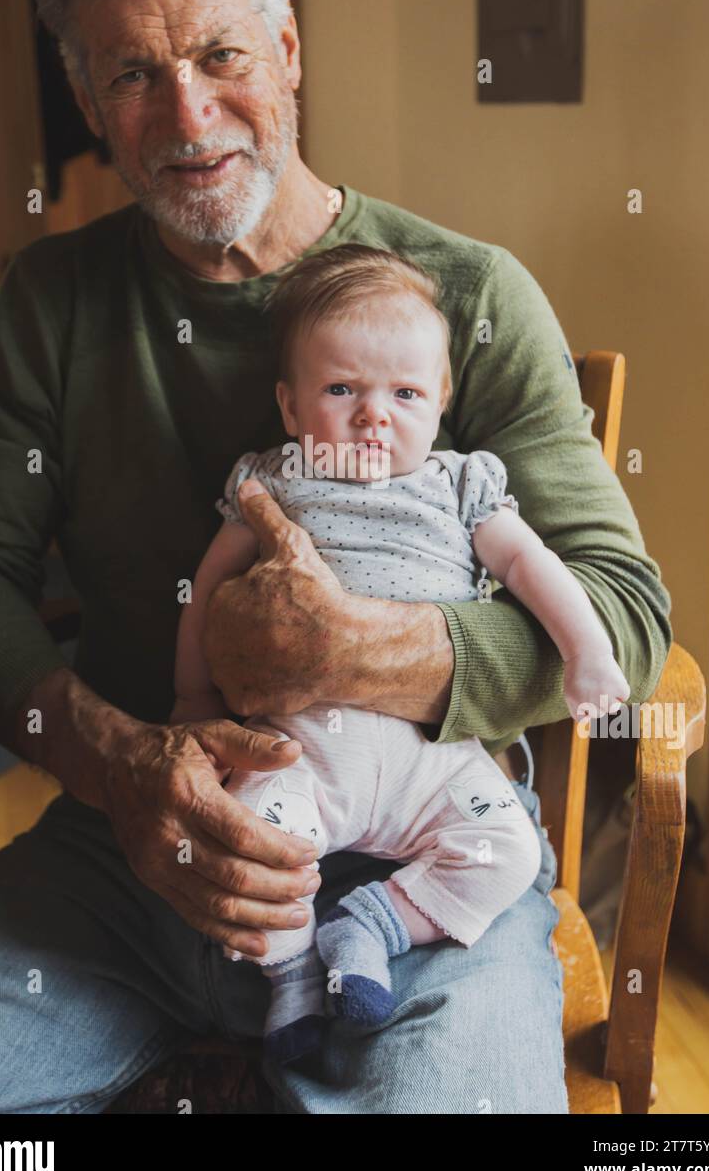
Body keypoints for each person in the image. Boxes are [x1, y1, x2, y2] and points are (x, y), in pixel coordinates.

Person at [0, 0, 671, 1114]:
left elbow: (623, 615)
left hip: (418, 870)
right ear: (88, 98)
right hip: (132, 851)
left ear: (289, 48)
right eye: (133, 75)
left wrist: (368, 653)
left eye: (219, 55)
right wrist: (117, 761)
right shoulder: (55, 300)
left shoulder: (465, 296)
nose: (189, 116)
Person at [172, 241, 631, 1066]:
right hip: (303, 755)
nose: (373, 414)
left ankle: (375, 924)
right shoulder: (274, 481)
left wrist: (586, 650)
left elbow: (532, 565)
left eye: (406, 392)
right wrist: (193, 698)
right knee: (250, 845)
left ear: (443, 400)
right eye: (341, 388)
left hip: (438, 762)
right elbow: (204, 587)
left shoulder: (459, 485)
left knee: (508, 850)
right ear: (289, 404)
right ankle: (293, 983)